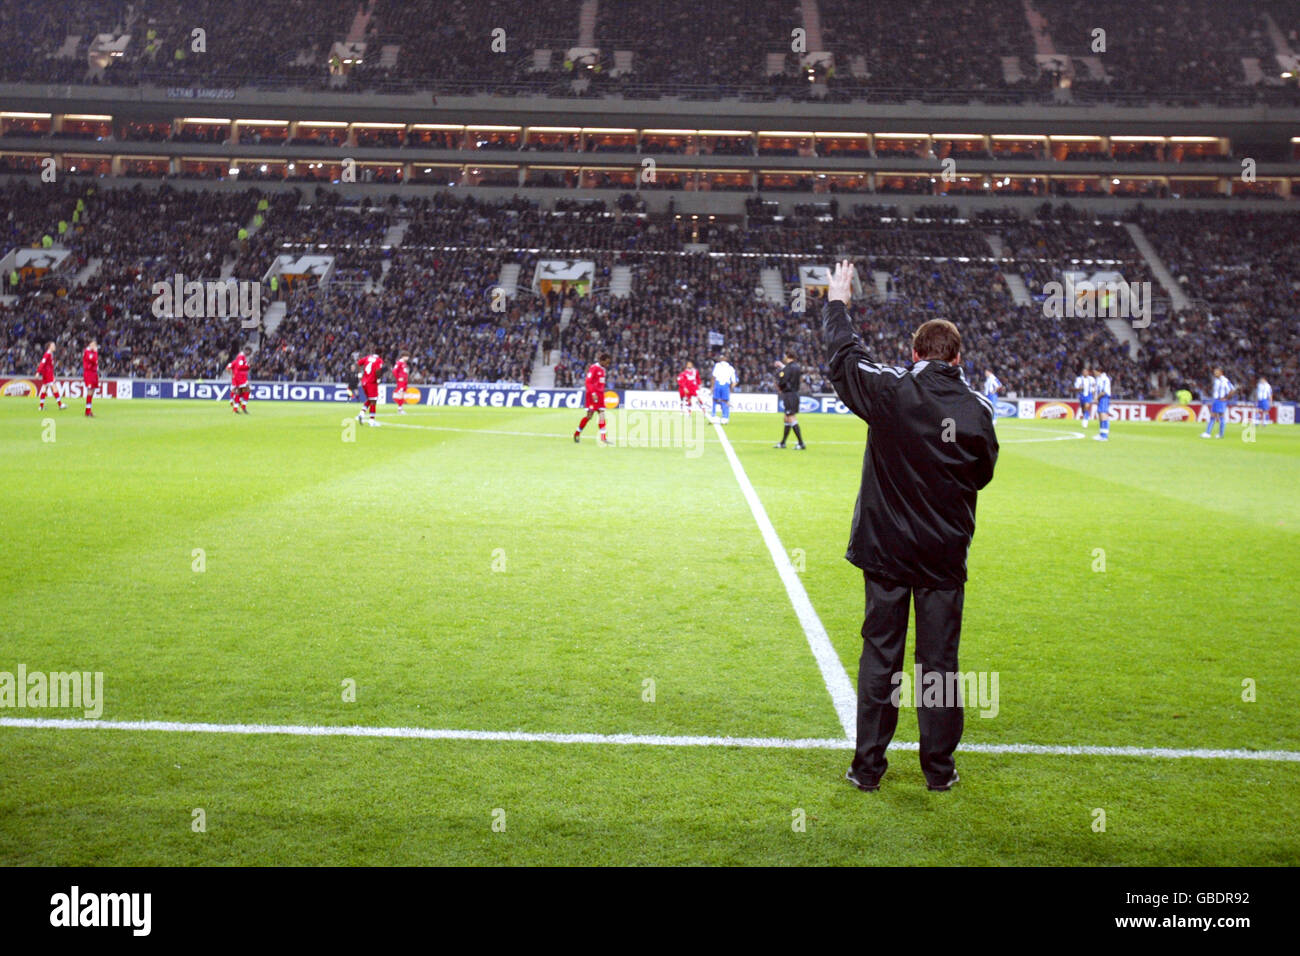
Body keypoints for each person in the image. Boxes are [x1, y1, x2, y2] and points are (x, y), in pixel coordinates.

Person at [821, 260, 998, 793]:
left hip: (887, 552)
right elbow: (982, 474)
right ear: (959, 358)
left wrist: (837, 302)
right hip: (943, 556)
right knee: (939, 664)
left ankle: (868, 769)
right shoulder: (976, 410)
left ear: (914, 353)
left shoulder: (890, 391)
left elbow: (845, 359)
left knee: (882, 654)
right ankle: (939, 771)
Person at [574, 352, 611, 445]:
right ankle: (577, 433)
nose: (607, 364)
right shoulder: (594, 368)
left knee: (602, 415)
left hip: (600, 396)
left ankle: (603, 437)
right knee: (589, 416)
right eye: (606, 362)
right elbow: (588, 381)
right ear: (601, 360)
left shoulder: (603, 370)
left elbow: (600, 383)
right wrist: (593, 393)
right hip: (592, 395)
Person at [773, 353, 806, 449]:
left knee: (791, 417)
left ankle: (801, 443)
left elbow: (782, 380)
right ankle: (783, 443)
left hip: (789, 394)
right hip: (794, 393)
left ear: (788, 357)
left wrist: (779, 380)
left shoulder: (788, 368)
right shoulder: (796, 367)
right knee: (786, 418)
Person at [1201, 367, 1235, 439]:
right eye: (1214, 372)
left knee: (1217, 416)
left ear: (1221, 372)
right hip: (1216, 400)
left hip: (1220, 400)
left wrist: (1226, 398)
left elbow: (1232, 389)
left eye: (1216, 372)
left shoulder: (1225, 380)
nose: (1215, 373)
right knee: (1217, 416)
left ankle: (1209, 433)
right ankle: (1219, 434)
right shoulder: (1216, 380)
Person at [356, 349, 384, 427]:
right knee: (373, 401)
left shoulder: (368, 357)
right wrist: (378, 379)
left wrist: (359, 374)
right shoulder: (379, 360)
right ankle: (371, 421)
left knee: (370, 399)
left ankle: (361, 414)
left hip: (364, 382)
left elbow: (358, 363)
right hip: (372, 383)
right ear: (381, 354)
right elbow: (378, 370)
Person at [36, 342, 66, 412]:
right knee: (54, 388)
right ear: (49, 347)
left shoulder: (50, 354)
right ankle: (60, 405)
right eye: (53, 345)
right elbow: (42, 363)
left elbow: (48, 365)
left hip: (47, 373)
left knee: (44, 389)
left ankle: (41, 407)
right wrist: (38, 372)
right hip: (47, 374)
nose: (54, 346)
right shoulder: (48, 354)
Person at [710, 354, 738, 425]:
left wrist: (712, 387)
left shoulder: (717, 365)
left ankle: (713, 416)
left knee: (715, 400)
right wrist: (730, 389)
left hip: (718, 384)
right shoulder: (731, 368)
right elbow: (734, 381)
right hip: (726, 385)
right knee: (725, 401)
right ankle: (725, 418)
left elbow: (714, 377)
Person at [227, 348, 250, 414]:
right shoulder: (238, 360)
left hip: (240, 379)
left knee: (240, 392)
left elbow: (229, 367)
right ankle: (241, 406)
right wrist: (232, 375)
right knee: (244, 391)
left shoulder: (238, 361)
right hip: (239, 379)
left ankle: (236, 407)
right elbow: (228, 368)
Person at [1093, 364, 1112, 442]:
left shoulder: (1105, 379)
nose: (1094, 373)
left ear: (1099, 371)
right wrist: (1096, 397)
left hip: (1104, 397)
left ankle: (1105, 436)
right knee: (1100, 415)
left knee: (1103, 414)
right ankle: (1101, 433)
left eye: (1095, 372)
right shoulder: (1098, 379)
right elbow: (1097, 389)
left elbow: (1104, 391)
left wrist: (1097, 398)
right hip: (1100, 398)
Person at [82, 340, 99, 418]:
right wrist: (95, 352)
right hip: (89, 373)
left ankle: (88, 410)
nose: (94, 347)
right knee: (90, 391)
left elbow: (95, 361)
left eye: (95, 345)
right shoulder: (87, 352)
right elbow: (94, 360)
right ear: (90, 345)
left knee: (92, 391)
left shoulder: (92, 352)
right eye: (93, 345)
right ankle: (88, 411)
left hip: (93, 373)